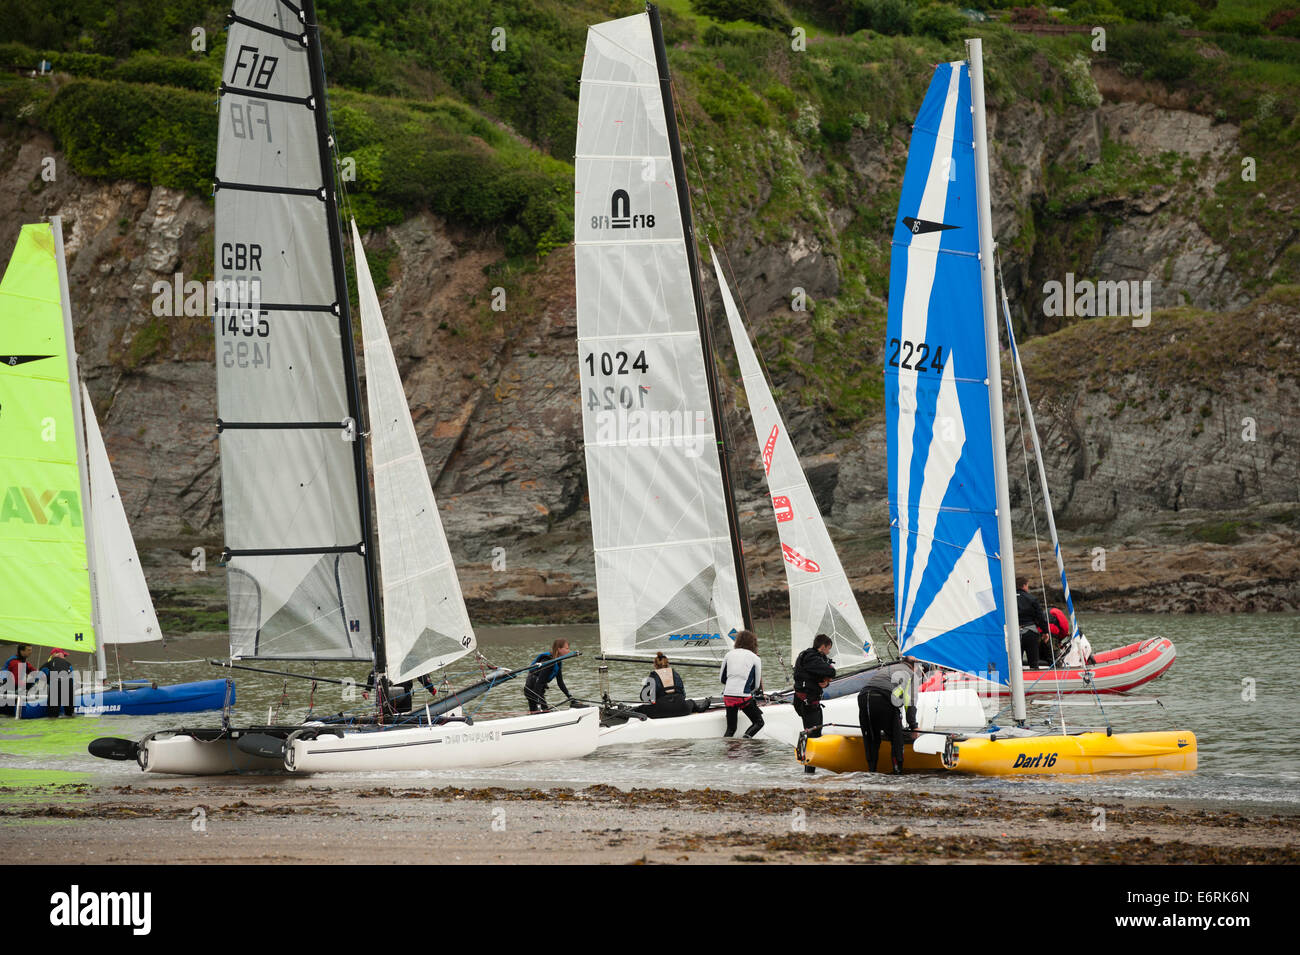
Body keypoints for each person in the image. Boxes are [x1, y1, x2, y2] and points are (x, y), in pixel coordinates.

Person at [858, 658, 920, 774]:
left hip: (863, 696)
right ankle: (897, 772)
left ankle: (871, 772)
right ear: (914, 667)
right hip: (883, 698)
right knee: (897, 737)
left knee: (872, 738)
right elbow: (910, 703)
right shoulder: (912, 675)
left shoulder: (887, 668)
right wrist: (913, 726)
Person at [792, 634, 837, 772]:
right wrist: (829, 674)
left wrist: (827, 681)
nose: (828, 652)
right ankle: (809, 772)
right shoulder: (812, 657)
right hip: (807, 703)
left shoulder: (810, 658)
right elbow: (830, 671)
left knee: (813, 734)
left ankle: (810, 771)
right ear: (822, 647)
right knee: (814, 737)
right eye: (828, 649)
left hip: (806, 701)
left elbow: (818, 676)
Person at [720, 630, 764, 738]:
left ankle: (728, 750)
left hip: (728, 696)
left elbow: (722, 679)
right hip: (743, 697)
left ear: (737, 642)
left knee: (731, 729)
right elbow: (756, 686)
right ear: (753, 643)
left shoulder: (728, 654)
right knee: (759, 722)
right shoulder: (756, 658)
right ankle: (745, 742)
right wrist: (748, 693)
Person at [635, 653, 691, 719]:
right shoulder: (676, 674)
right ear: (668, 664)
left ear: (655, 665)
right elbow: (683, 695)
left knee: (640, 708)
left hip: (661, 711)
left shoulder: (653, 676)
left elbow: (643, 697)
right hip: (682, 709)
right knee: (691, 702)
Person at [524, 639, 572, 713]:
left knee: (543, 711)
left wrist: (570, 697)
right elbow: (539, 682)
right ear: (559, 649)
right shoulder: (549, 661)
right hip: (532, 689)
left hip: (539, 690)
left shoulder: (558, 661)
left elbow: (560, 682)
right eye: (567, 648)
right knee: (541, 712)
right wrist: (539, 702)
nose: (569, 651)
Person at [1017, 578, 1052, 668]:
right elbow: (1040, 617)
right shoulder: (1032, 598)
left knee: (1015, 665)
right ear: (1024, 585)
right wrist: (1045, 632)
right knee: (1033, 663)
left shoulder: (1007, 599)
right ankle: (1034, 672)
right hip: (1030, 633)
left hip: (1014, 635)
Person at [41, 648, 75, 717]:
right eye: (64, 655)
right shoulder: (69, 664)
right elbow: (72, 679)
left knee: (52, 717)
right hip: (69, 687)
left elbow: (37, 676)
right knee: (70, 715)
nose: (65, 658)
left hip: (55, 687)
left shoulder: (47, 664)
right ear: (56, 654)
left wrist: (28, 687)